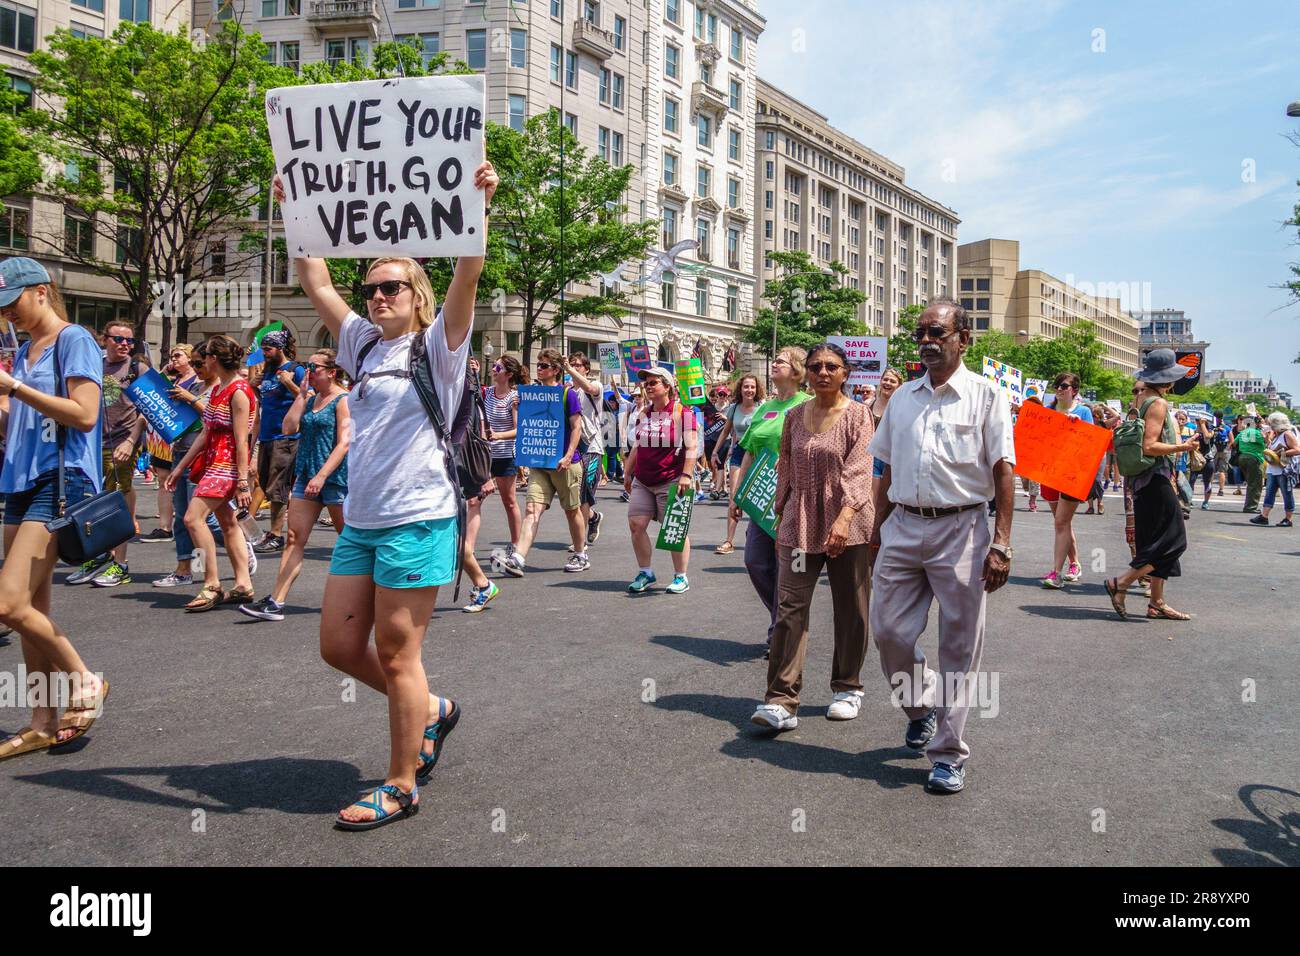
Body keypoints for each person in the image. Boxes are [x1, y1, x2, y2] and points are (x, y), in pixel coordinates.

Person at [281, 160, 496, 830]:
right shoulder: (363, 344)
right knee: (340, 647)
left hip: (418, 517)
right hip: (363, 523)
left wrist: (476, 204)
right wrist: (293, 207)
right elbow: (314, 276)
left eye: (391, 286)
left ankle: (401, 783)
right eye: (370, 287)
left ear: (417, 292)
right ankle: (430, 710)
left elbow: (468, 273)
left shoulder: (439, 347)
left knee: (400, 651)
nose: (376, 296)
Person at [867, 299, 1015, 795]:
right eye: (921, 334)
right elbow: (884, 470)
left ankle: (948, 754)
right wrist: (873, 530)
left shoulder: (987, 396)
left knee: (959, 646)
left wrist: (1002, 544)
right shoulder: (903, 399)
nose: (927, 341)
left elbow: (1003, 472)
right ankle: (921, 705)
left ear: (963, 339)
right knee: (887, 630)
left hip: (963, 532)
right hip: (903, 528)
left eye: (938, 332)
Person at [0, 258, 112, 761]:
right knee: (30, 611)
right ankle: (42, 721)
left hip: (59, 481)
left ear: (41, 291)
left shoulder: (75, 340)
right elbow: (23, 417)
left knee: (7, 605)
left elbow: (86, 415)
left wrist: (17, 389)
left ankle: (85, 679)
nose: (8, 315)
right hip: (21, 480)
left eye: (13, 303)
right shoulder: (25, 349)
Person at [750, 343, 873, 731]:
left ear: (845, 373)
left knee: (850, 607)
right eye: (816, 366)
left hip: (846, 526)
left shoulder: (858, 415)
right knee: (790, 605)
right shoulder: (794, 416)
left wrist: (845, 517)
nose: (823, 372)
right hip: (799, 524)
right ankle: (781, 700)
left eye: (831, 367)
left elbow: (860, 468)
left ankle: (847, 686)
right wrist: (780, 510)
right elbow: (785, 461)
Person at [240, 350, 350, 621]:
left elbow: (345, 442)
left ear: (332, 371)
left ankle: (367, 596)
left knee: (350, 542)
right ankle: (276, 601)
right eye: (307, 366)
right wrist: (300, 395)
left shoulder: (343, 400)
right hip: (305, 475)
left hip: (335, 479)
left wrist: (322, 476)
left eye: (314, 367)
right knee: (293, 538)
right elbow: (288, 427)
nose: (309, 371)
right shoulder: (311, 398)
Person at [165, 335, 258, 612]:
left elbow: (243, 439)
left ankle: (212, 583)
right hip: (214, 464)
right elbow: (206, 433)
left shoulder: (238, 391)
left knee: (193, 519)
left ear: (214, 359)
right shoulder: (219, 389)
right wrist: (180, 467)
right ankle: (243, 584)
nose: (200, 363)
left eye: (203, 357)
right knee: (228, 524)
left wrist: (243, 482)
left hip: (228, 468)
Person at [1103, 351, 1199, 622]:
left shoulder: (1141, 398)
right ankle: (1120, 582)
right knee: (1174, 540)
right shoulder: (1157, 404)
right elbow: (1149, 446)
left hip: (1142, 480)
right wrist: (1184, 446)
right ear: (1167, 379)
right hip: (1155, 478)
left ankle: (1156, 603)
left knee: (1155, 539)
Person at [729, 347, 810, 654]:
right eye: (774, 360)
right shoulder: (765, 408)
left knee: (786, 566)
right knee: (755, 561)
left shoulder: (807, 404)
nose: (774, 364)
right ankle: (783, 619)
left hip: (792, 498)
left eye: (781, 361)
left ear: (797, 370)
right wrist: (739, 494)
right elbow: (748, 451)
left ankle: (781, 630)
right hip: (760, 498)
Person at [64, 321, 151, 588]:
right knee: (90, 502)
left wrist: (130, 441)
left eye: (129, 341)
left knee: (118, 501)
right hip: (89, 444)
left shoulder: (138, 368)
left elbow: (149, 409)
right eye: (118, 339)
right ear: (105, 340)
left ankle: (120, 565)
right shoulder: (93, 364)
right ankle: (99, 556)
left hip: (121, 442)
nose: (124, 345)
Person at [497, 348, 589, 576]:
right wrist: (519, 407)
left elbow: (577, 427)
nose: (539, 368)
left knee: (572, 510)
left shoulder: (568, 395)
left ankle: (580, 554)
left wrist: (568, 456)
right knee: (531, 508)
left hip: (564, 463)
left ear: (556, 370)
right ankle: (518, 557)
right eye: (538, 364)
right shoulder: (531, 394)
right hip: (539, 463)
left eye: (544, 365)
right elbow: (524, 427)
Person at [623, 366, 699, 594]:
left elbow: (692, 446)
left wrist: (686, 474)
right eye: (646, 383)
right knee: (636, 525)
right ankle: (646, 572)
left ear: (667, 387)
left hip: (671, 479)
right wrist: (628, 471)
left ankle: (681, 577)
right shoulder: (644, 413)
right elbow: (638, 445)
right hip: (643, 480)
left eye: (653, 382)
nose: (648, 386)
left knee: (675, 530)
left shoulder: (681, 412)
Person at [154, 341, 221, 588]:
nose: (194, 367)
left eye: (198, 363)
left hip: (205, 457)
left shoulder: (220, 388)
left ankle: (240, 547)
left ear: (212, 361)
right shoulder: (193, 385)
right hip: (181, 451)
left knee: (202, 519)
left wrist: (191, 398)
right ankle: (187, 569)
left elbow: (215, 418)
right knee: (182, 517)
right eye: (191, 363)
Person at [248, 330, 305, 554]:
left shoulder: (295, 370)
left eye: (268, 348)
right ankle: (273, 531)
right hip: (267, 436)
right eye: (263, 348)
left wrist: (289, 384)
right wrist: (253, 385)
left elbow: (307, 398)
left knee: (278, 487)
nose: (265, 352)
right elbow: (265, 401)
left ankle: (275, 534)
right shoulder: (268, 371)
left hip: (286, 438)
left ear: (279, 348)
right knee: (264, 483)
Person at [1039, 373, 1093, 590]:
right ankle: (1075, 563)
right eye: (1057, 385)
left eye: (1064, 386)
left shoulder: (1083, 411)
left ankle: (1056, 572)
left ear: (1074, 390)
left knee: (1061, 522)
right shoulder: (1048, 412)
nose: (1059, 389)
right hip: (1049, 471)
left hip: (1072, 473)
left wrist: (1077, 426)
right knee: (1062, 522)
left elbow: (1091, 443)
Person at [711, 374, 764, 555]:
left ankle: (758, 537)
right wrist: (715, 451)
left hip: (758, 455)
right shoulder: (734, 408)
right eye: (746, 386)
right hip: (739, 452)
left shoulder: (763, 408)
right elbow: (726, 431)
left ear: (757, 390)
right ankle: (729, 541)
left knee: (757, 498)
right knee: (734, 497)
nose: (749, 390)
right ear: (740, 389)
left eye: (752, 387)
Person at [483, 354, 525, 551]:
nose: (493, 370)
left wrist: (498, 436)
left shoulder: (513, 398)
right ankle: (466, 544)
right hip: (484, 455)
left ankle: (516, 543)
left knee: (509, 501)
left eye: (497, 368)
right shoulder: (487, 393)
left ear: (508, 374)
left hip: (505, 455)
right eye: (493, 366)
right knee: (474, 499)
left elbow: (519, 430)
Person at [563, 352, 605, 548]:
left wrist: (569, 370)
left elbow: (589, 387)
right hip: (574, 448)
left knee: (584, 493)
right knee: (576, 495)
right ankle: (593, 517)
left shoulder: (596, 385)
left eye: (577, 365)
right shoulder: (567, 390)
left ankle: (579, 543)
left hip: (592, 447)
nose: (573, 367)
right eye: (572, 364)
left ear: (586, 369)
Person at [1252, 411, 1298, 527]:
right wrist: (1268, 439)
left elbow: (1297, 449)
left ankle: (1288, 519)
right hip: (1273, 470)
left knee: (1287, 494)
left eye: (1272, 424)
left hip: (1284, 470)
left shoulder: (1287, 434)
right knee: (1269, 493)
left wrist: (1281, 453)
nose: (1270, 426)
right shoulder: (1277, 435)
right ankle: (1264, 516)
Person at [1233, 416, 1266, 514]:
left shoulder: (1242, 433)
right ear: (1254, 424)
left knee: (1250, 483)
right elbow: (1266, 443)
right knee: (1255, 484)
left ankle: (1249, 505)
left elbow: (1233, 444)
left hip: (1242, 458)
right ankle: (1250, 507)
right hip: (1254, 458)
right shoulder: (1256, 433)